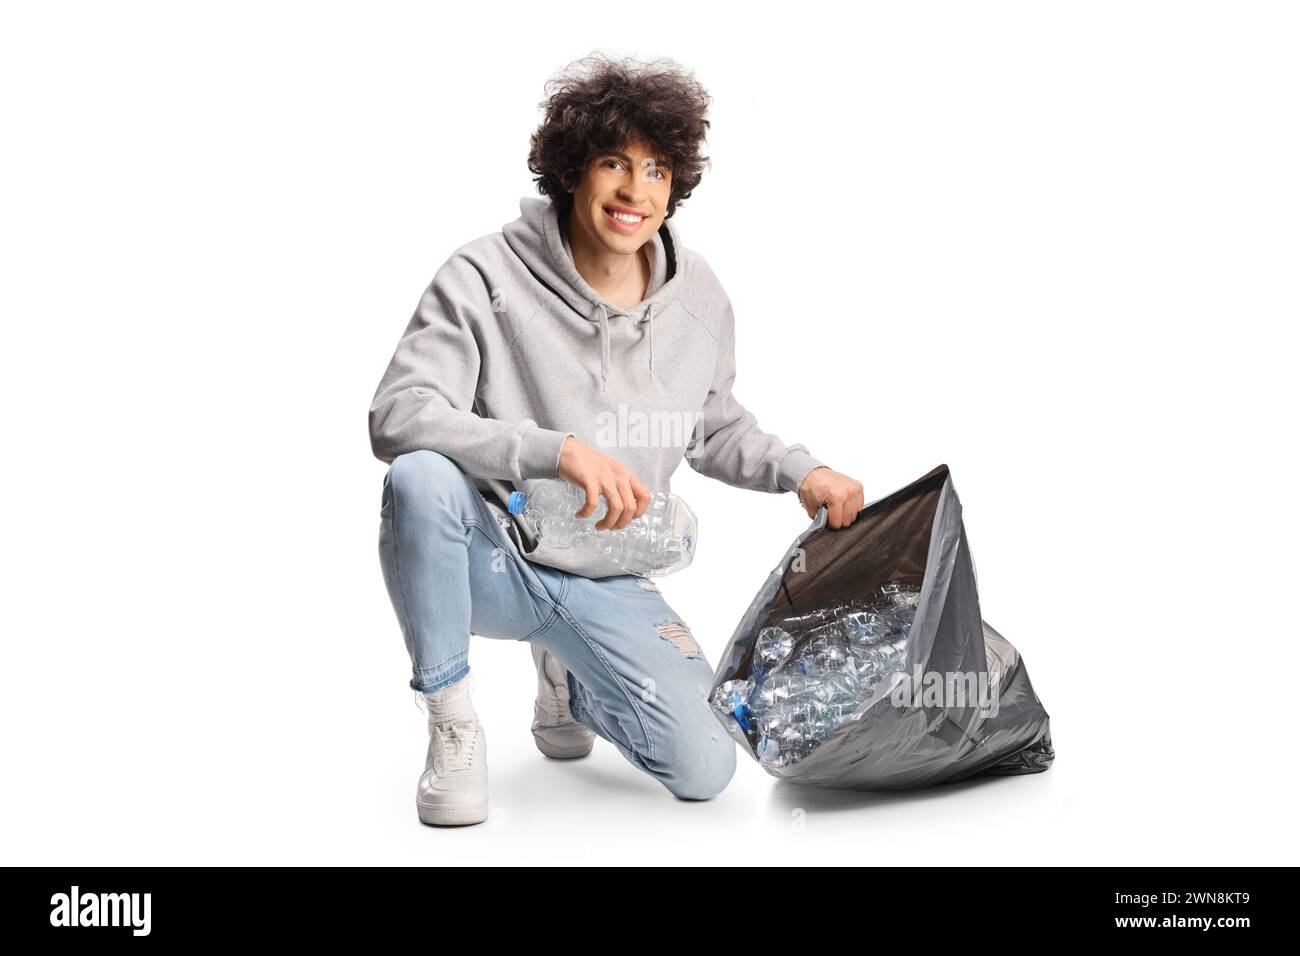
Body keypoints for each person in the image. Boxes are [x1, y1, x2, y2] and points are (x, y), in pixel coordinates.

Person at [369, 53, 865, 826]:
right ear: (572, 172)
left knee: (706, 768)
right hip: (494, 556)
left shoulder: (696, 297)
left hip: (606, 568)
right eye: (613, 164)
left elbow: (713, 425)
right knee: (420, 478)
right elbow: (398, 413)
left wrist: (804, 472)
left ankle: (568, 676)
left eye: (658, 171)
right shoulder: (483, 276)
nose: (636, 192)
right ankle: (453, 721)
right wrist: (553, 450)